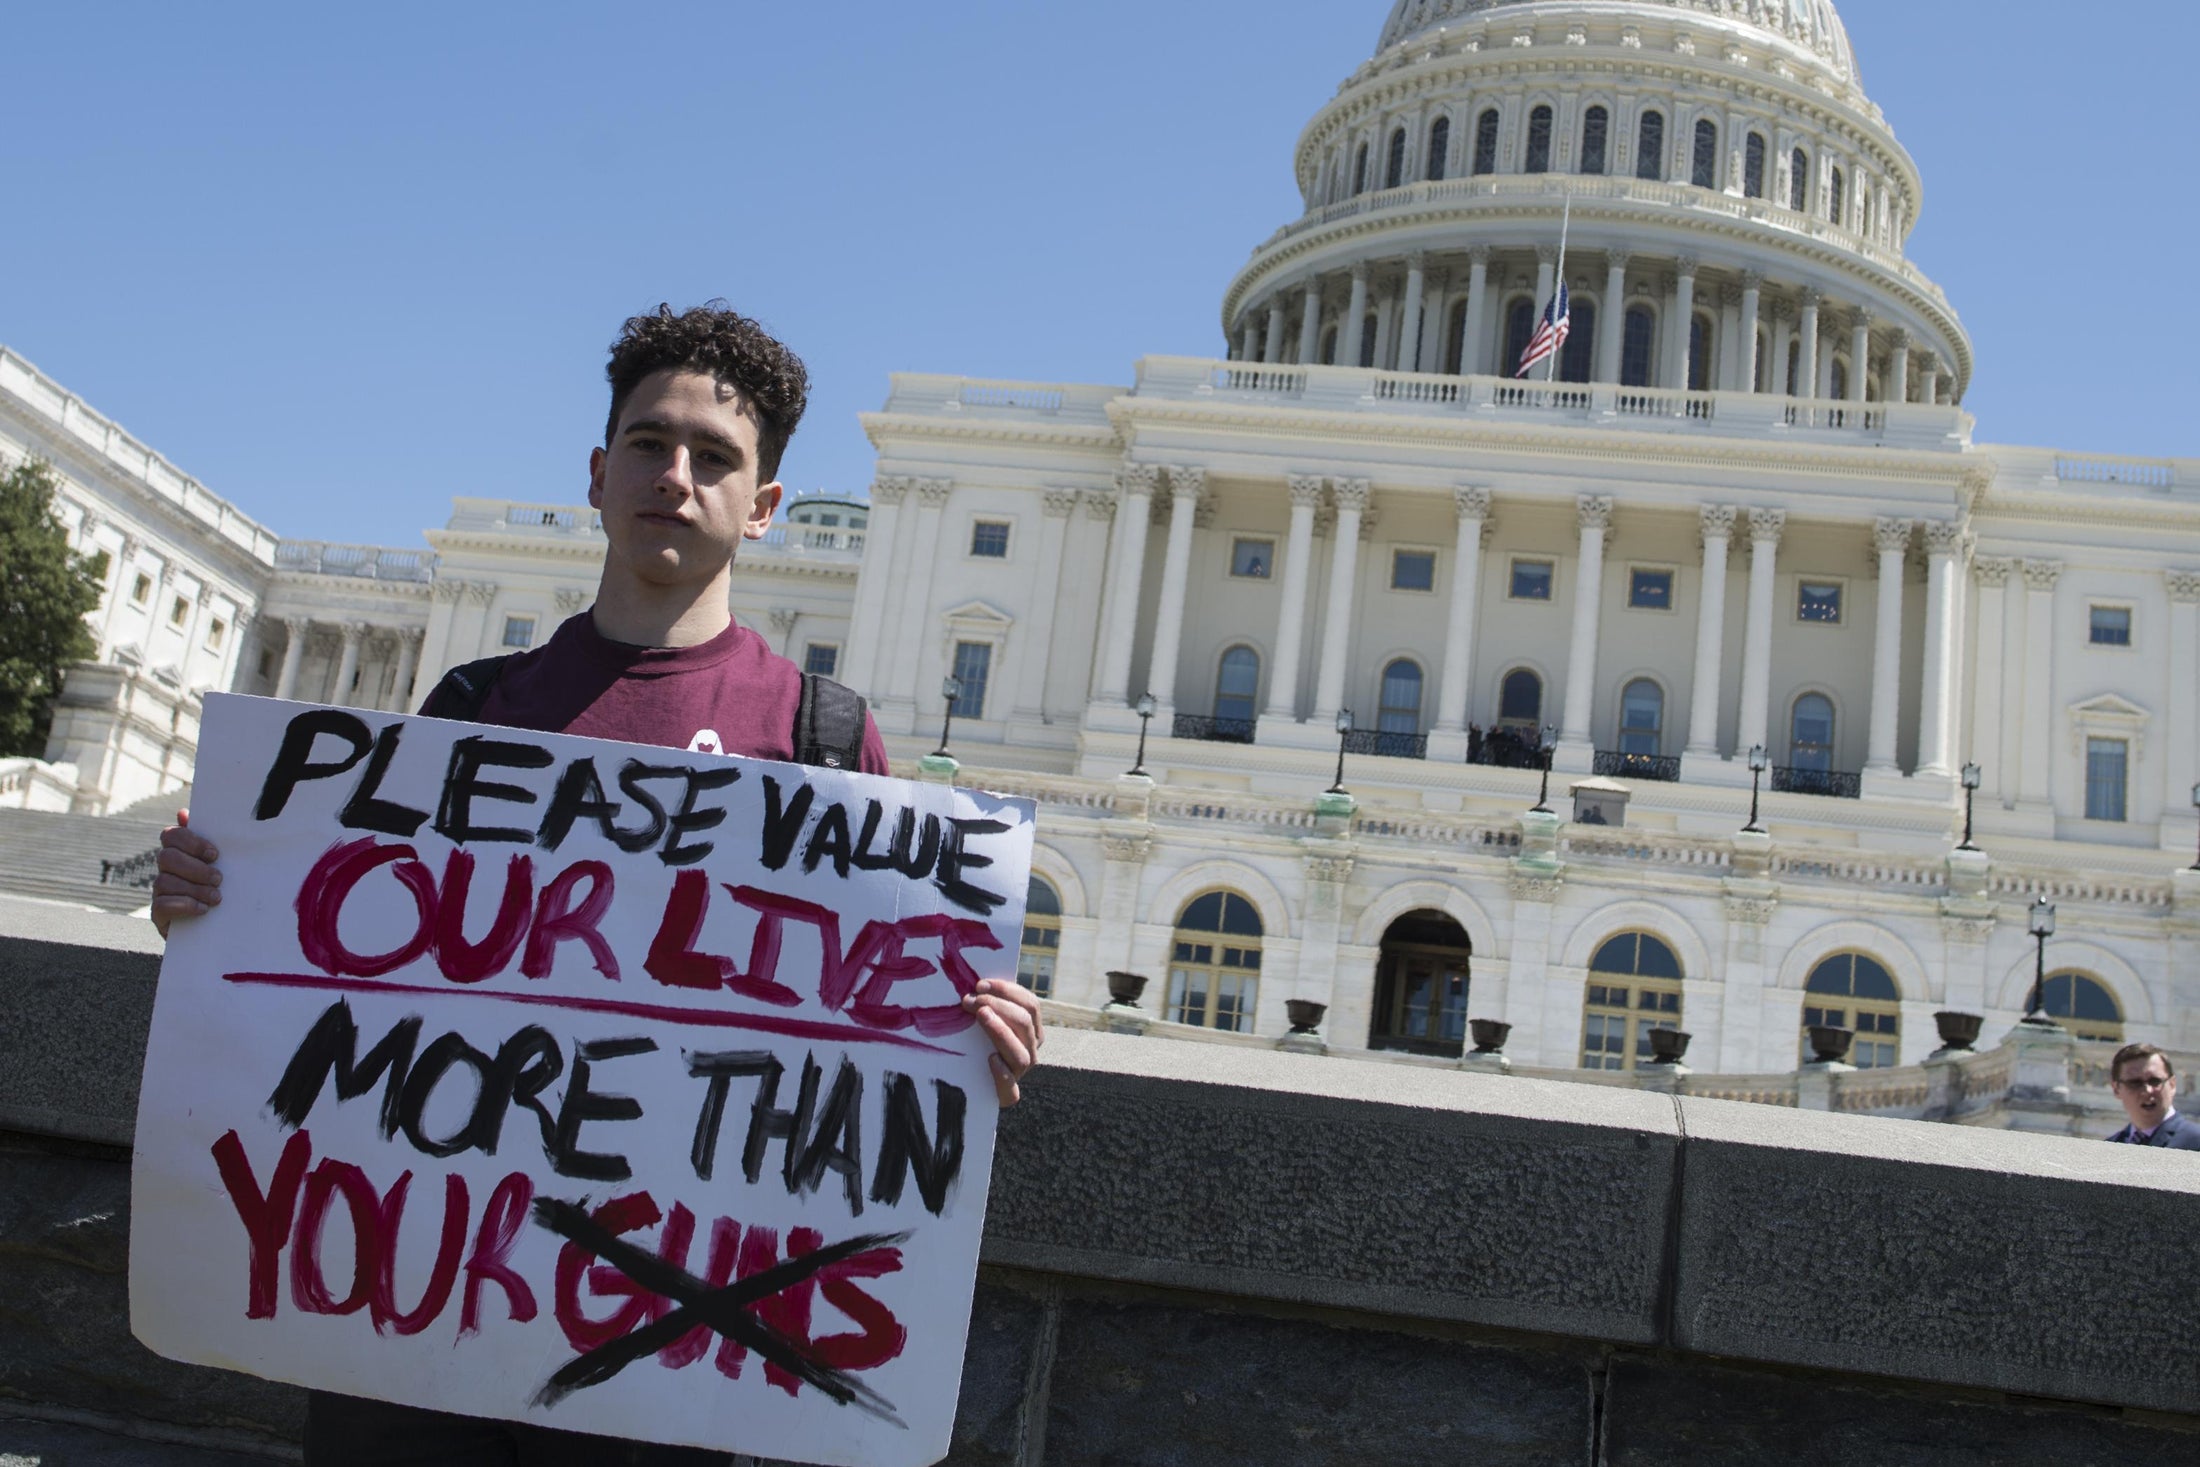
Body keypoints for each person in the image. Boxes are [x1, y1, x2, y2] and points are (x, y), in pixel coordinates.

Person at [150, 303, 1045, 1466]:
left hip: (662, 1373)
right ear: (598, 471)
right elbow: (347, 968)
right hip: (417, 1339)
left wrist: (970, 1049)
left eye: (715, 458)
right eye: (649, 444)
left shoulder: (824, 745)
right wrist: (216, 901)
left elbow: (870, 1051)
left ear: (764, 507)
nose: (676, 476)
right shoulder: (472, 713)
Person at [2104, 1042, 2200, 1150]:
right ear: (2116, 1089)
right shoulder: (2108, 1148)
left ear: (2172, 1084)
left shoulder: (2195, 1142)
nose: (2147, 1090)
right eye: (2135, 1083)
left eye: (2155, 1081)